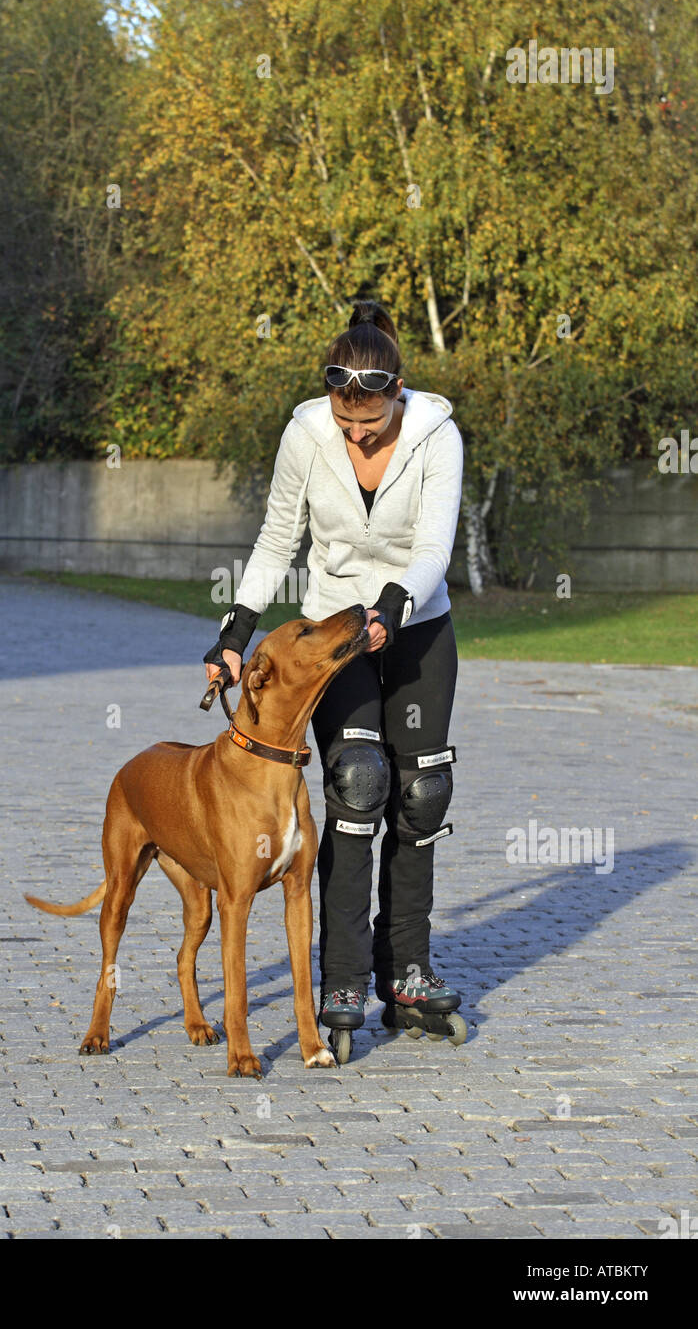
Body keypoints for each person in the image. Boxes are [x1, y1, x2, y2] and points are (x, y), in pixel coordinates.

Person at [203, 299, 463, 1042]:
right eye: (345, 423)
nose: (355, 434)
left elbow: (434, 549)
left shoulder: (438, 438)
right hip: (334, 635)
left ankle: (405, 970)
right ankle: (343, 976)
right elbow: (278, 533)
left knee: (423, 793)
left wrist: (392, 605)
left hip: (418, 625)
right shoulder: (306, 433)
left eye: (370, 425)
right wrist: (238, 627)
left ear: (398, 392)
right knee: (359, 781)